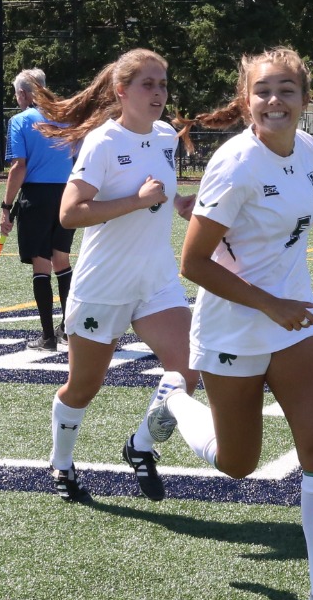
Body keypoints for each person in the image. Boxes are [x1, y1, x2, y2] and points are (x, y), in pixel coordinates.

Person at [144, 47, 313, 600]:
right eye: (263, 91)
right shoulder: (235, 165)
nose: (275, 101)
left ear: (305, 99)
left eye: (286, 91)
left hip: (297, 322)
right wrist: (270, 304)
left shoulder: (309, 150)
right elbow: (194, 263)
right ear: (247, 100)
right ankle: (174, 399)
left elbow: (307, 198)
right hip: (234, 324)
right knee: (238, 464)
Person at [25, 48, 197, 503]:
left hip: (156, 279)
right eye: (148, 84)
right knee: (84, 387)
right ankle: (62, 463)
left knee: (188, 370)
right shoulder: (103, 141)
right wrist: (138, 201)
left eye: (163, 85)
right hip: (104, 284)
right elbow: (70, 213)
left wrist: (181, 204)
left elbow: (162, 195)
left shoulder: (166, 136)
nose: (158, 93)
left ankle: (140, 445)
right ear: (121, 91)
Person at [0, 68, 75, 350]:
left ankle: (47, 337)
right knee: (62, 261)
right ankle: (68, 330)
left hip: (36, 196)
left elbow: (18, 167)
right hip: (67, 195)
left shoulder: (19, 121)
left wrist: (6, 206)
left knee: (41, 264)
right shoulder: (66, 117)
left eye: (16, 94)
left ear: (23, 94)